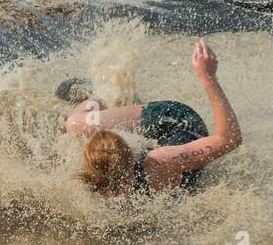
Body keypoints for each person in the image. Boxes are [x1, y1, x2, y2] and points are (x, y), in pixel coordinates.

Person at [62, 39, 241, 195]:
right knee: (77, 125)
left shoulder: (160, 162)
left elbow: (228, 139)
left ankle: (99, 95)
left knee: (74, 124)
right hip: (162, 139)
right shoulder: (88, 184)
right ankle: (111, 100)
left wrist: (207, 76)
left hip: (174, 121)